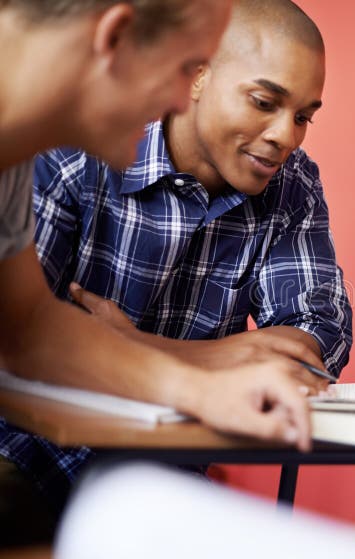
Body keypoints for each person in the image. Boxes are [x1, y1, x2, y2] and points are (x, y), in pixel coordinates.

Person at [0, 0, 313, 547]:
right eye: (183, 68)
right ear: (116, 37)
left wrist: (197, 387)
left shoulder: (13, 159)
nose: (178, 102)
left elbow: (25, 328)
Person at [32, 0, 352, 380]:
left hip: (195, 428)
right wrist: (236, 354)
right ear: (198, 74)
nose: (286, 136)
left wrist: (136, 345)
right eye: (264, 103)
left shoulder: (293, 184)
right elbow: (20, 338)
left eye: (303, 117)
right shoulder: (74, 154)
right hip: (48, 432)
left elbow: (315, 339)